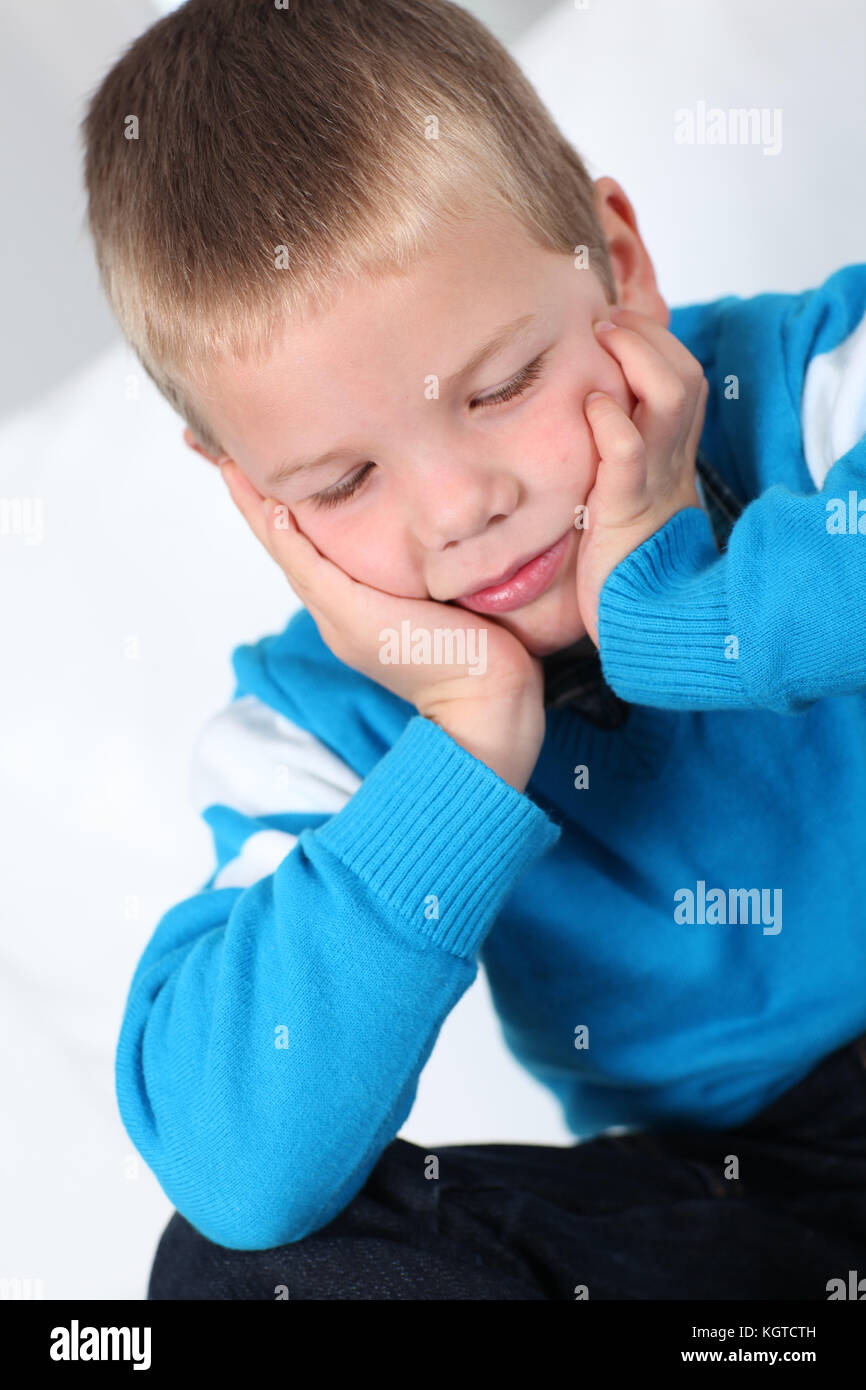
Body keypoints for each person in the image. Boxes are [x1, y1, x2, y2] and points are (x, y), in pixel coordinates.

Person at [80, 0, 866, 1298]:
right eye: (338, 481)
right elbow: (240, 1164)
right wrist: (465, 734)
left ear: (616, 260)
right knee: (239, 1275)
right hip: (760, 1210)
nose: (458, 508)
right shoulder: (316, 725)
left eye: (499, 387)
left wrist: (678, 614)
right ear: (250, 498)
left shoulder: (812, 384)